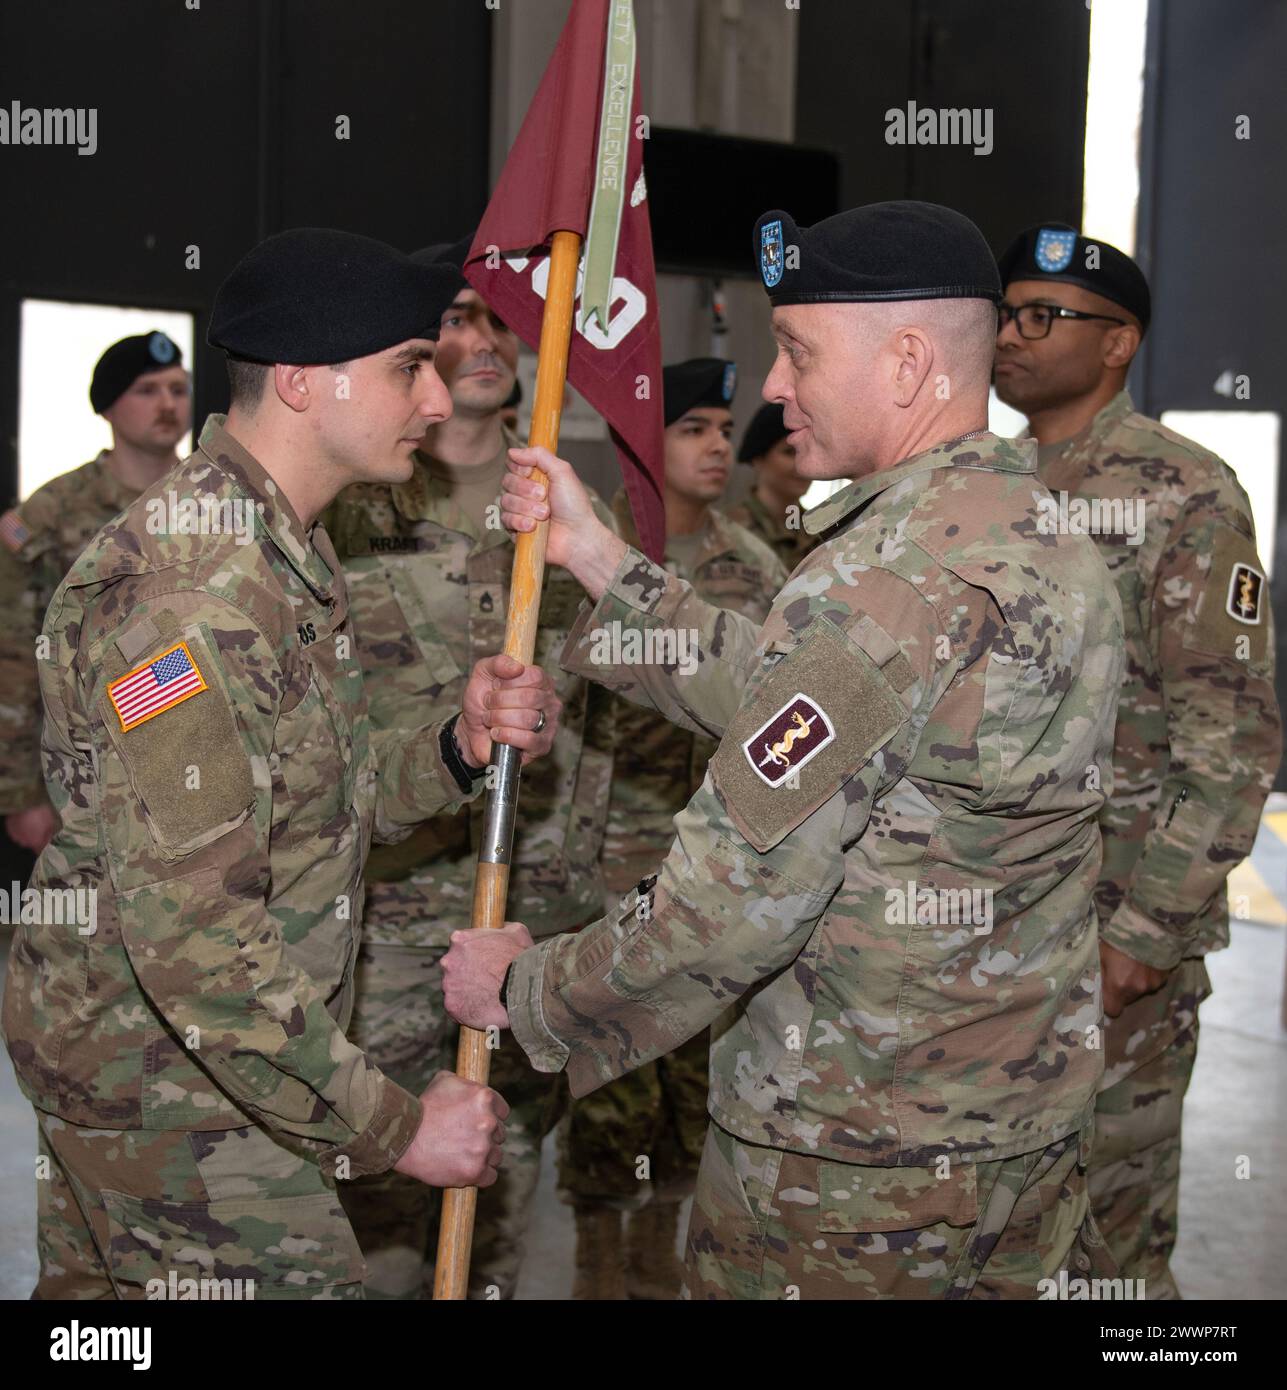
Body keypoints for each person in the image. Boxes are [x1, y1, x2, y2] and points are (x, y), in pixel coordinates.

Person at [443, 200, 1128, 1299]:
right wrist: (599, 557)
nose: (770, 385)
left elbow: (727, 908)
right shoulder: (1033, 531)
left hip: (850, 1167)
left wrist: (527, 989)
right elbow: (802, 699)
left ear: (906, 365)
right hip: (1016, 1132)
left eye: (798, 351)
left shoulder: (879, 579)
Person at [0, 228, 562, 1300]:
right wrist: (400, 1127)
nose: (438, 401)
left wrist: (456, 744)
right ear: (307, 383)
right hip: (170, 1084)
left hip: (177, 1057)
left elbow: (307, 805)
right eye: (410, 367)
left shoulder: (280, 547)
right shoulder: (193, 592)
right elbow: (199, 940)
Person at [325, 244, 618, 1300]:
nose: (484, 342)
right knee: (371, 1175)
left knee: (500, 1174)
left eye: (506, 322)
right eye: (459, 318)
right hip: (386, 913)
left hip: (526, 899)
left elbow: (600, 715)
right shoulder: (356, 499)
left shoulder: (572, 500)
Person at [994, 223, 1282, 1298]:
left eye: (1043, 316)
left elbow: (1234, 740)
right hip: (982, 946)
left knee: (1107, 1247)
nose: (1012, 335)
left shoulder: (1186, 492)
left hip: (1114, 949)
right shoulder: (980, 481)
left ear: (1119, 344)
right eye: (1006, 312)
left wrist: (1148, 933)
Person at [558, 358, 785, 1300]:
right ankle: (598, 1272)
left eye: (722, 428)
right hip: (606, 862)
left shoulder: (754, 568)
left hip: (711, 877)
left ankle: (657, 1269)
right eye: (690, 426)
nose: (716, 445)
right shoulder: (581, 549)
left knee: (692, 1095)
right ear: (641, 446)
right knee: (606, 1096)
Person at [0, 332, 190, 856]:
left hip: (204, 762)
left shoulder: (217, 501)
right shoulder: (52, 512)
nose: (169, 404)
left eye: (178, 388)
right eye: (147, 391)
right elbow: (14, 653)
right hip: (84, 777)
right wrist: (20, 792)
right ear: (107, 406)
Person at [728, 400, 817, 572]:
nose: (802, 465)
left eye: (807, 452)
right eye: (789, 452)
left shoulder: (821, 532)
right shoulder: (728, 530)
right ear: (758, 458)